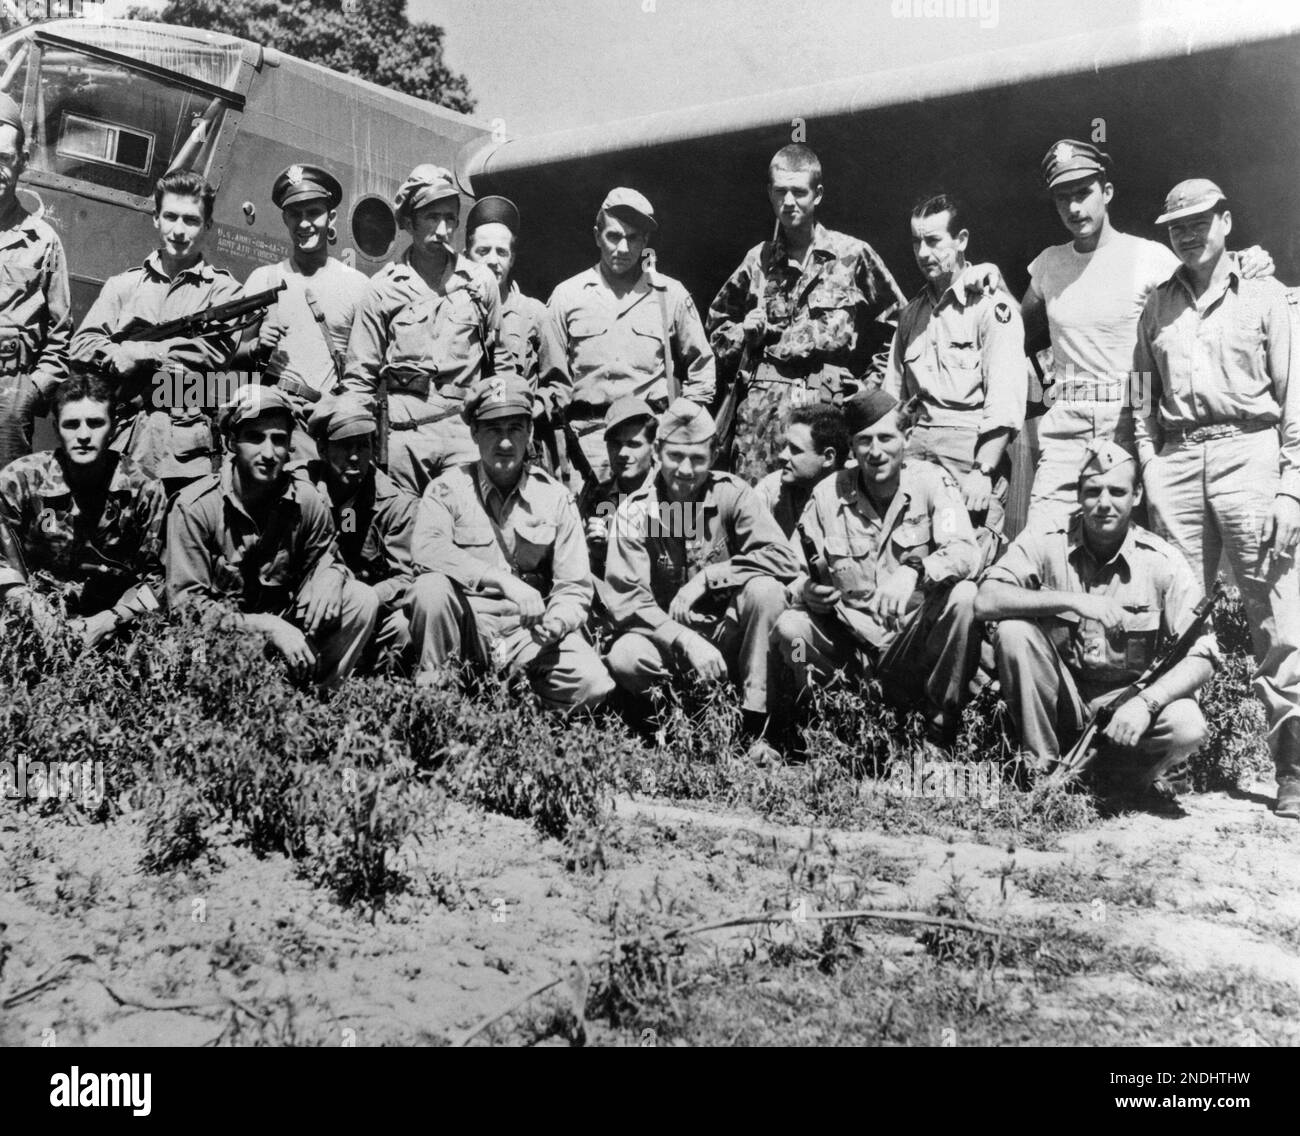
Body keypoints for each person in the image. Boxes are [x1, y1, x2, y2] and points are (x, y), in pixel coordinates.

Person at [1132, 178, 1300, 820]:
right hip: (1177, 460)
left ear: (1226, 221)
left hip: (1248, 452)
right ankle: (1173, 759)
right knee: (1177, 610)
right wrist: (1150, 465)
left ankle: (1291, 766)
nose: (1189, 233)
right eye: (1177, 225)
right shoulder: (1158, 305)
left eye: (1201, 220)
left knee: (1276, 607)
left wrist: (1290, 488)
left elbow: (1293, 403)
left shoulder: (1263, 295)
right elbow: (1140, 397)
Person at [1021, 140, 1272, 526]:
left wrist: (1245, 259)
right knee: (1044, 540)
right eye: (1062, 198)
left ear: (1106, 192)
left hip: (1129, 420)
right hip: (1066, 428)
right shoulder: (1048, 265)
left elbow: (1203, 284)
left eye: (1084, 193)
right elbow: (1017, 332)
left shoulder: (1148, 256)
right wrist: (981, 276)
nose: (1074, 208)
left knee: (1128, 557)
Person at [974, 440, 1218, 792]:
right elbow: (986, 600)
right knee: (1013, 631)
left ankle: (1115, 783)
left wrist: (1146, 704)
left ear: (1136, 496)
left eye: (1117, 492)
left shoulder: (1162, 562)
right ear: (1078, 495)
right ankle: (1040, 771)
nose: (1104, 503)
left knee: (1186, 726)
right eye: (1093, 492)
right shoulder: (1046, 541)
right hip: (1061, 699)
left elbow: (1204, 655)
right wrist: (1069, 601)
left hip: (1127, 707)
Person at [772, 390, 981, 747]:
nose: (876, 451)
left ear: (907, 439)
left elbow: (965, 552)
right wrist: (804, 590)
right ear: (852, 448)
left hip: (913, 648)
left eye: (886, 438)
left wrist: (914, 569)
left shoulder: (932, 483)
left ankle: (938, 729)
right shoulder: (827, 495)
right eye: (864, 441)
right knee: (790, 632)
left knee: (964, 597)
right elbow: (789, 573)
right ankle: (830, 716)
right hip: (852, 650)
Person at [604, 398, 800, 757]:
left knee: (767, 592)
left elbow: (784, 560)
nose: (685, 469)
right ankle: (678, 724)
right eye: (676, 456)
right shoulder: (634, 512)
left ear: (714, 454)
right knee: (626, 656)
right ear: (658, 451)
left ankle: (756, 729)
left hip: (727, 638)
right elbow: (629, 601)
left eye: (698, 459)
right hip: (669, 644)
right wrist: (684, 640)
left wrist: (711, 576)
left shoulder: (733, 494)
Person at [408, 376, 613, 712]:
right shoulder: (447, 489)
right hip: (465, 628)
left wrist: (556, 622)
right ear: (474, 433)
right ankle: (440, 706)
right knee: (428, 588)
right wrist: (505, 582)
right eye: (493, 429)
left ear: (530, 433)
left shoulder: (555, 497)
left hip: (525, 633)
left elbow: (574, 586)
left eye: (515, 429)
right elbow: (428, 551)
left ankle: (515, 713)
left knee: (592, 682)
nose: (505, 442)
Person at [706, 144, 905, 482]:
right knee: (757, 518)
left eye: (798, 192)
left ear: (818, 195)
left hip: (825, 414)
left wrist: (866, 388)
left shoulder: (852, 255)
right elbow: (715, 329)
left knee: (824, 515)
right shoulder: (759, 260)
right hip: (761, 422)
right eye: (780, 191)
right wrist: (744, 334)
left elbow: (899, 324)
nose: (788, 201)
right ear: (770, 193)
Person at [165, 385, 377, 690]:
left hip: (285, 633)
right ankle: (210, 711)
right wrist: (267, 626)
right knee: (190, 648)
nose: (269, 453)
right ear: (230, 442)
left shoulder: (306, 499)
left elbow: (328, 556)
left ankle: (313, 705)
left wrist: (333, 573)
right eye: (255, 438)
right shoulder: (196, 508)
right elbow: (188, 612)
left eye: (279, 440)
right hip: (221, 639)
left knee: (359, 598)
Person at [71, 170, 242, 488]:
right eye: (171, 217)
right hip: (121, 440)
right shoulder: (123, 286)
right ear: (156, 219)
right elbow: (81, 345)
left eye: (191, 220)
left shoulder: (225, 293)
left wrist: (145, 353)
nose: (179, 230)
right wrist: (117, 353)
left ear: (207, 226)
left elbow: (211, 358)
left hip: (187, 456)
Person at [538, 187, 715, 490]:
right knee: (591, 530)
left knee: (654, 531)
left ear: (645, 242)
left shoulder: (668, 295)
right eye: (613, 236)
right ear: (597, 235)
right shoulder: (567, 297)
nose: (622, 248)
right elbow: (552, 383)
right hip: (588, 443)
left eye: (633, 238)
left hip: (651, 443)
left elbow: (702, 370)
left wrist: (677, 431)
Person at [884, 193, 1025, 566]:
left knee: (964, 565)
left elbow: (1005, 398)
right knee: (911, 562)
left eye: (933, 241)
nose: (923, 253)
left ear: (961, 240)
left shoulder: (991, 307)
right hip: (916, 461)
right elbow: (894, 401)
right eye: (916, 242)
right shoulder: (911, 316)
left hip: (967, 460)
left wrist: (983, 470)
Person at [341, 164, 500, 495]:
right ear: (409, 222)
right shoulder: (381, 289)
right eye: (432, 218)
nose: (443, 230)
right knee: (402, 536)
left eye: (450, 218)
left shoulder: (480, 283)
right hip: (403, 440)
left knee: (467, 533)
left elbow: (499, 367)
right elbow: (360, 378)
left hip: (464, 438)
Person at [0, 371, 165, 647]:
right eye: (72, 424)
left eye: (96, 423)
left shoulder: (144, 489)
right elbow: (2, 565)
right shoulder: (21, 480)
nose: (84, 435)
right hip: (35, 613)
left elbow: (160, 579)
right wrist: (40, 614)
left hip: (114, 620)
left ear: (113, 428)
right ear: (56, 429)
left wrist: (111, 619)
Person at [234, 164, 370, 462]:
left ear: (331, 217)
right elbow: (235, 357)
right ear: (285, 218)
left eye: (314, 213)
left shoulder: (357, 286)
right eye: (296, 214)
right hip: (272, 417)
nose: (305, 223)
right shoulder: (263, 279)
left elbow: (363, 371)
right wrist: (257, 346)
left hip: (323, 422)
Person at [300, 394, 420, 671]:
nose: (355, 457)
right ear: (321, 449)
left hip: (370, 610)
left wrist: (364, 599)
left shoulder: (395, 504)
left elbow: (406, 577)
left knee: (405, 627)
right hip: (307, 604)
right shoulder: (300, 490)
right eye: (344, 446)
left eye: (363, 446)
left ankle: (377, 694)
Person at [0, 92, 71, 471]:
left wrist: (30, 393)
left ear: (22, 162)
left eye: (4, 159)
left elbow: (61, 335)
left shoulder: (43, 242)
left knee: (4, 510)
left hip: (10, 394)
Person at [577, 395, 658, 578]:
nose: (622, 453)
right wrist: (597, 553)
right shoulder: (598, 497)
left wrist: (617, 545)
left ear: (654, 447)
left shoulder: (674, 491)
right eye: (615, 444)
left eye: (633, 444)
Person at [754, 402, 849, 543]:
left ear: (828, 457)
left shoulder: (854, 498)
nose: (782, 455)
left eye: (795, 449)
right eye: (786, 446)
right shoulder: (771, 488)